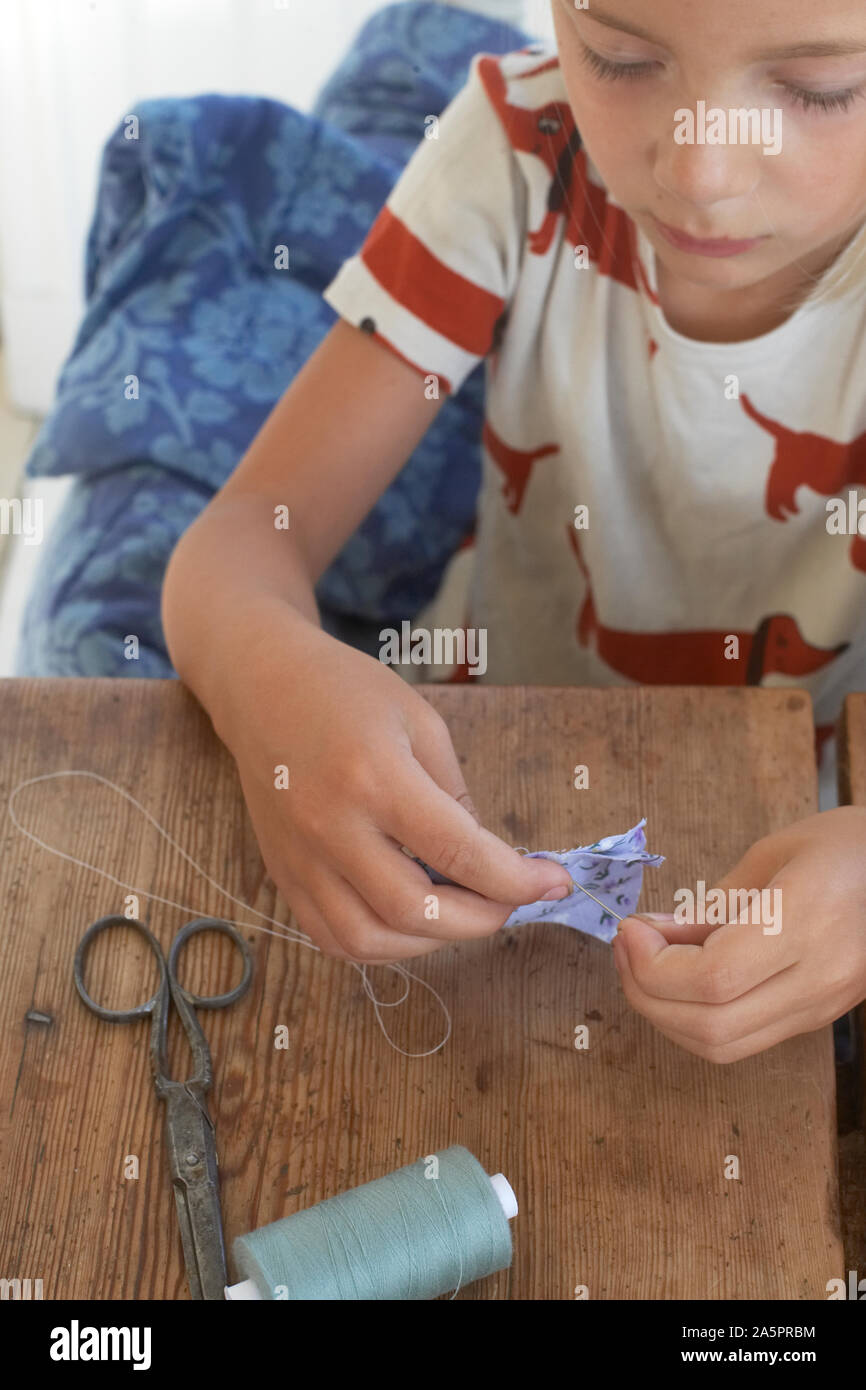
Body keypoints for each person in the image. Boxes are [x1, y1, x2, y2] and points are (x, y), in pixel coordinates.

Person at [162, 0, 866, 1062]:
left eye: (818, 90)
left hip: (812, 825)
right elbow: (237, 548)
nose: (701, 172)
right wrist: (272, 689)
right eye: (620, 59)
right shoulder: (512, 156)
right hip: (473, 760)